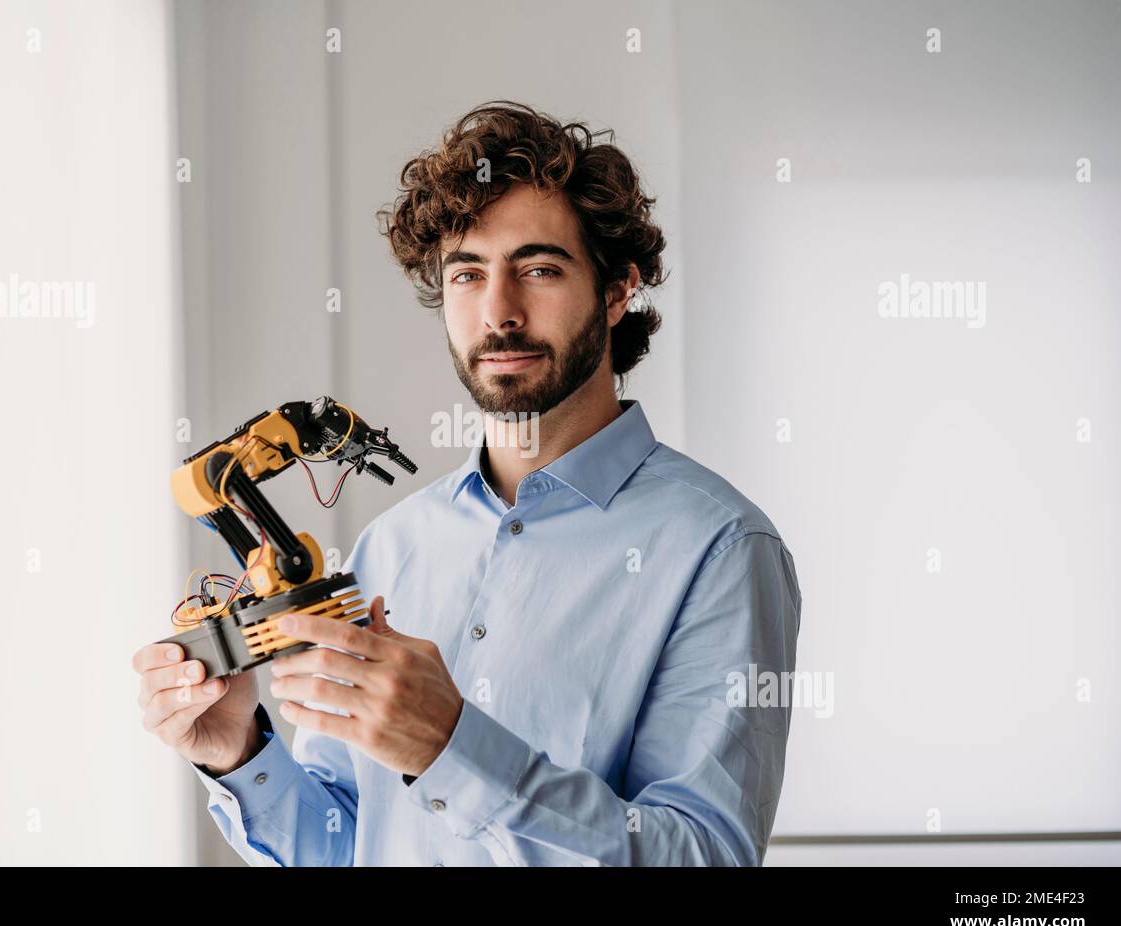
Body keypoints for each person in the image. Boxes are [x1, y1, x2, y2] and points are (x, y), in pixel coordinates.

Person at [134, 101, 801, 866]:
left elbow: (703, 856)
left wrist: (453, 747)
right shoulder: (393, 545)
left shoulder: (719, 549)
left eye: (539, 269)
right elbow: (349, 846)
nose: (499, 312)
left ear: (619, 291)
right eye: (468, 274)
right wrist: (241, 757)